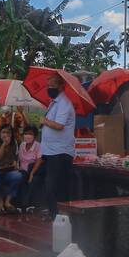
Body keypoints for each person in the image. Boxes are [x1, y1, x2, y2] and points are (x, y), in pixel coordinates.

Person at [39, 74, 76, 219]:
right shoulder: (54, 102)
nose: (49, 88)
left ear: (61, 86)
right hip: (50, 151)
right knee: (51, 184)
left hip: (60, 152)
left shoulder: (64, 104)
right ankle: (53, 211)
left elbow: (59, 125)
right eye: (48, 86)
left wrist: (45, 121)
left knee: (54, 185)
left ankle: (56, 214)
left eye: (52, 86)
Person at [0, 125, 23, 214]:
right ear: (0, 133)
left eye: (8, 133)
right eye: (3, 132)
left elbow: (14, 159)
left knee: (18, 175)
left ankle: (8, 201)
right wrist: (4, 144)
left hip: (8, 171)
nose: (6, 135)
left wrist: (14, 163)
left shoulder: (13, 144)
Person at [16, 125, 42, 212]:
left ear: (35, 136)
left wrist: (32, 173)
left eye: (30, 134)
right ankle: (21, 204)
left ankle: (26, 205)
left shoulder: (38, 146)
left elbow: (39, 160)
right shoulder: (22, 145)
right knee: (20, 176)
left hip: (33, 171)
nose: (27, 136)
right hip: (22, 171)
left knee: (31, 180)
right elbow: (19, 160)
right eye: (26, 133)